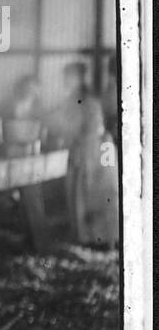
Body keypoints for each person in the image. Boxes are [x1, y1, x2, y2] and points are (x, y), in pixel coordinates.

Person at [45, 61, 119, 248]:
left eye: (68, 77)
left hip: (94, 149)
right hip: (90, 148)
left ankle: (104, 239)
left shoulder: (87, 100)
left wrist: (72, 141)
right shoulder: (74, 99)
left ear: (78, 78)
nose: (65, 80)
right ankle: (89, 238)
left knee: (97, 194)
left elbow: (91, 128)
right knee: (83, 194)